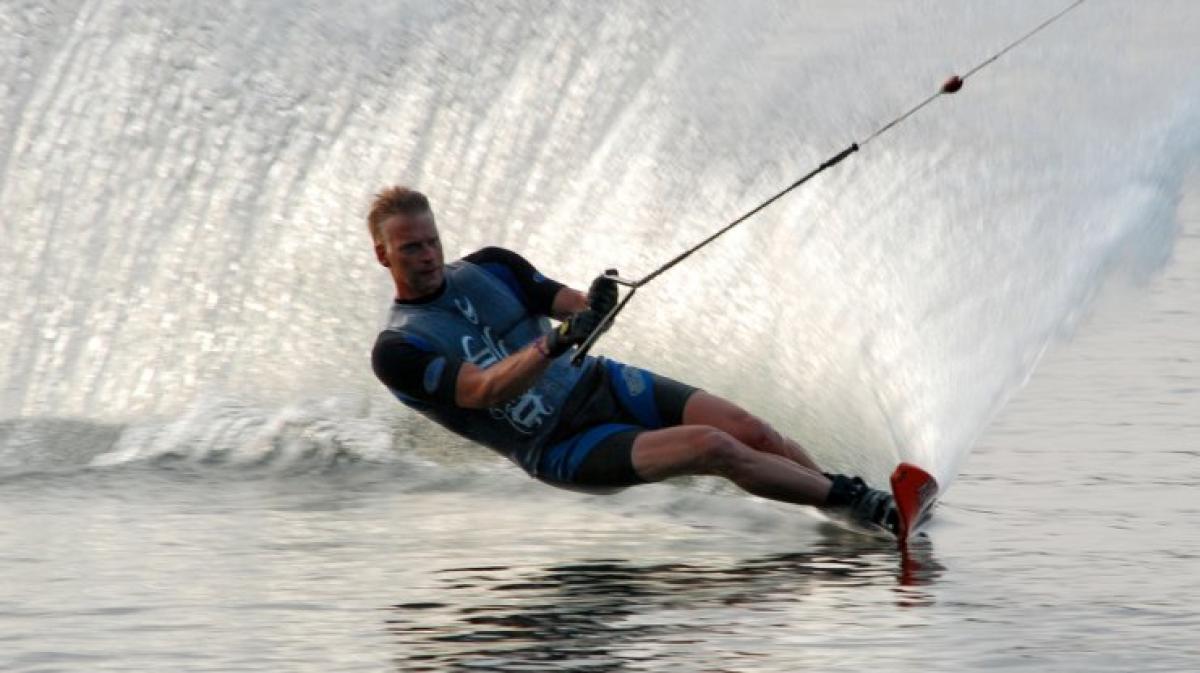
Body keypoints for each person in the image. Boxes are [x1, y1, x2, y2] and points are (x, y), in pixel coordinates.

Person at [367, 186, 897, 533]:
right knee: (715, 447)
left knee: (751, 431)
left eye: (432, 241)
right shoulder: (399, 349)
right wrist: (554, 342)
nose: (429, 255)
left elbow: (571, 306)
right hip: (563, 445)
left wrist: (596, 304)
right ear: (383, 254)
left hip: (601, 383)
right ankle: (864, 502)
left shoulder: (493, 266)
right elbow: (483, 391)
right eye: (411, 248)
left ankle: (858, 513)